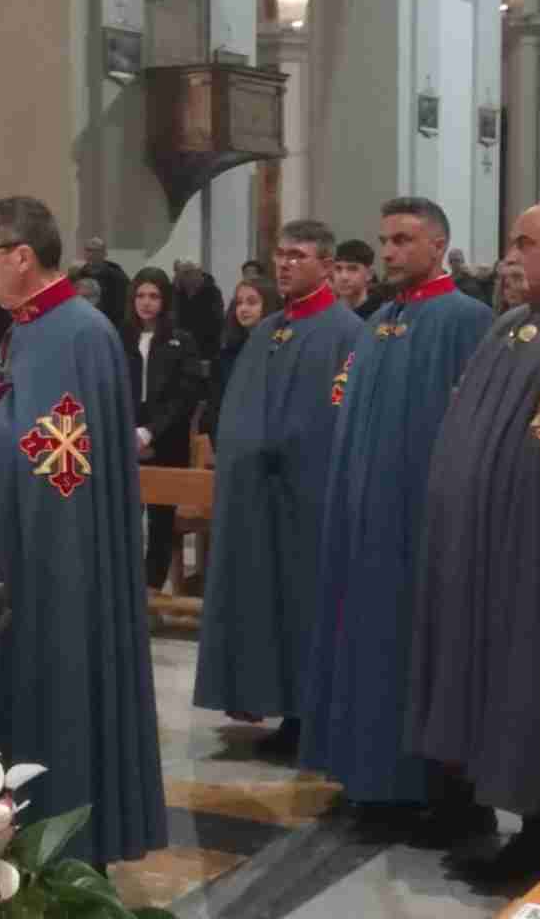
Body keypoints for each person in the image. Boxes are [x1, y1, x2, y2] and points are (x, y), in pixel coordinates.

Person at [0, 197, 166, 868]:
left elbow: (61, 462)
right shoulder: (29, 328)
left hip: (60, 560)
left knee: (56, 679)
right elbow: (19, 417)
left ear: (21, 255)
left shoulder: (75, 332)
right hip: (22, 546)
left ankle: (67, 847)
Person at [410, 202, 540, 882]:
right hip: (488, 555)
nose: (513, 256)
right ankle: (506, 821)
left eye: (528, 243)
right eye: (512, 243)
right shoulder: (512, 325)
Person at [302, 198, 493, 839]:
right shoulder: (381, 318)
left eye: (403, 240)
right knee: (364, 651)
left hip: (420, 526)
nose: (388, 253)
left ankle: (417, 791)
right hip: (362, 521)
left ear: (437, 245)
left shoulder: (466, 320)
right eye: (384, 241)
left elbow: (474, 427)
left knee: (411, 657)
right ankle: (367, 780)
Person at [193, 221, 362, 757]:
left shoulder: (345, 334)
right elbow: (237, 409)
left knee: (303, 609)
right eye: (280, 255)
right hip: (255, 499)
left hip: (306, 501)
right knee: (264, 608)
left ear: (328, 267)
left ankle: (309, 715)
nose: (285, 264)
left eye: (298, 256)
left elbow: (337, 419)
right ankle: (274, 704)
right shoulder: (268, 331)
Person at [122, 268, 204, 592]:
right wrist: (130, 431)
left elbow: (185, 394)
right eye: (141, 295)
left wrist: (150, 432)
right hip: (125, 438)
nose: (146, 303)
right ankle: (128, 590)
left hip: (166, 438)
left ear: (165, 300)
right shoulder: (119, 336)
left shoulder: (181, 340)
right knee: (126, 520)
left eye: (154, 296)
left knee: (160, 523)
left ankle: (152, 590)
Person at [206, 277, 281, 439]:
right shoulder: (226, 355)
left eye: (252, 302)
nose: (243, 309)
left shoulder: (283, 351)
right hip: (232, 443)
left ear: (269, 305)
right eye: (239, 303)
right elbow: (215, 408)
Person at [172, 261, 226, 365]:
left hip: (207, 349)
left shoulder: (212, 291)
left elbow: (216, 321)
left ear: (198, 273)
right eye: (181, 274)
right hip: (180, 349)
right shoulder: (178, 293)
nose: (183, 277)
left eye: (187, 273)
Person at [81, 236, 130, 329]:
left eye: (96, 251)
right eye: (88, 250)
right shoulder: (78, 276)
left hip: (111, 327)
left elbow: (125, 308)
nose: (91, 254)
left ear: (104, 253)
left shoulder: (118, 277)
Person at [332, 238, 381, 320]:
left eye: (352, 269)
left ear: (369, 274)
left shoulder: (383, 315)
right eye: (338, 268)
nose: (344, 277)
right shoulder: (325, 314)